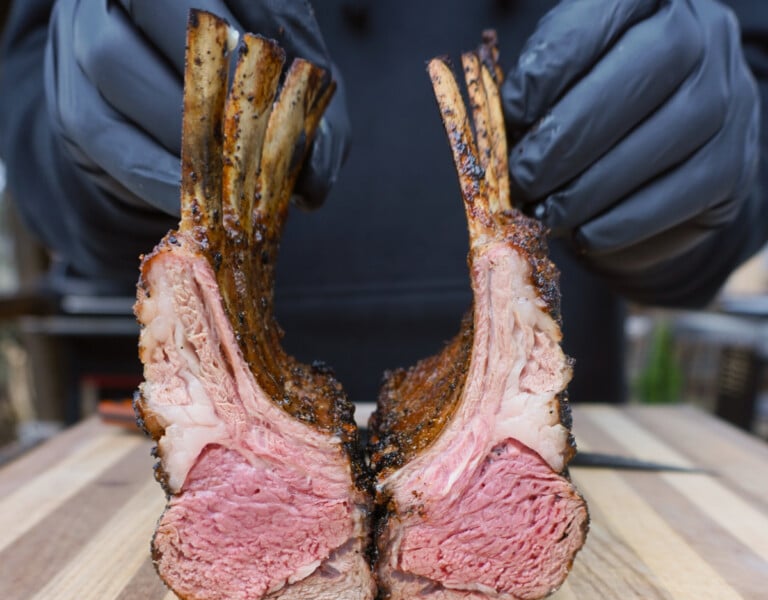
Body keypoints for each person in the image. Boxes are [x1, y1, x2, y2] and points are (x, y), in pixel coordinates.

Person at [0, 0, 766, 403]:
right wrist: (91, 160)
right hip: (205, 413)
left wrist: (724, 170)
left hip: (558, 393)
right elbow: (31, 77)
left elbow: (751, 56)